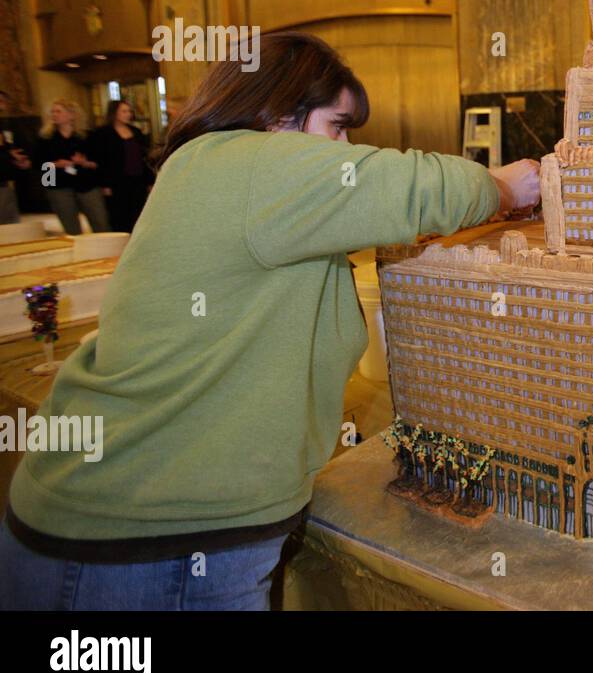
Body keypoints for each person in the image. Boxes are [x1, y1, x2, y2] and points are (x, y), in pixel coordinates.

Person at [0, 32, 540, 610]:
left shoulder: (221, 173)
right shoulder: (244, 163)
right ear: (277, 114)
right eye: (336, 126)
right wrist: (502, 185)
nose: (345, 147)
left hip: (136, 533)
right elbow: (408, 185)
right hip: (149, 546)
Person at [33, 99, 110, 234]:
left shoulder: (87, 136)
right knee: (70, 226)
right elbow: (37, 164)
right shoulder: (46, 138)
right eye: (53, 112)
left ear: (72, 115)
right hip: (58, 185)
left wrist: (83, 162)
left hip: (87, 183)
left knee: (100, 221)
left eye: (58, 111)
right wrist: (56, 164)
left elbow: (100, 162)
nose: (54, 115)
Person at [88, 100, 155, 232]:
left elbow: (145, 158)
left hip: (137, 180)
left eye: (129, 111)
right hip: (117, 183)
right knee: (119, 216)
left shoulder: (136, 132)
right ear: (114, 113)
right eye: (124, 111)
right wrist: (105, 184)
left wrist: (150, 181)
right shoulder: (103, 133)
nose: (128, 114)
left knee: (140, 214)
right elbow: (102, 160)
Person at [0, 91, 32, 224]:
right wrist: (8, 155)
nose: (2, 105)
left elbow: (20, 146)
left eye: (3, 102)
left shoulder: (7, 125)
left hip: (5, 182)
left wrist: (22, 160)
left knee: (9, 224)